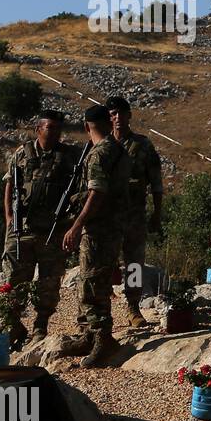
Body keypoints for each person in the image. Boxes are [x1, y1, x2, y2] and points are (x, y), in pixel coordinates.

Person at [0, 110, 82, 346]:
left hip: (52, 231)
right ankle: (13, 325)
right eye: (50, 128)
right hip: (21, 229)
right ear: (38, 129)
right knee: (14, 281)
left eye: (58, 129)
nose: (55, 133)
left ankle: (40, 326)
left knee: (49, 282)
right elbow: (10, 186)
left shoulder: (70, 157)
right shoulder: (22, 154)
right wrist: (8, 218)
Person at [61, 105, 132, 368]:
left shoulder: (99, 154)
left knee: (93, 284)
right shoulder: (118, 150)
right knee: (93, 280)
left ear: (86, 126)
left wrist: (77, 224)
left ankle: (103, 338)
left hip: (99, 228)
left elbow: (97, 192)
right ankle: (90, 334)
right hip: (113, 225)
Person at [106, 96, 163, 327]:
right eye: (113, 114)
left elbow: (156, 183)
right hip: (107, 217)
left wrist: (157, 214)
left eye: (122, 113)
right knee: (104, 263)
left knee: (134, 265)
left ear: (130, 115)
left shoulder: (142, 145)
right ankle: (101, 312)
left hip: (134, 215)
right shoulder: (102, 145)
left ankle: (133, 307)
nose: (118, 118)